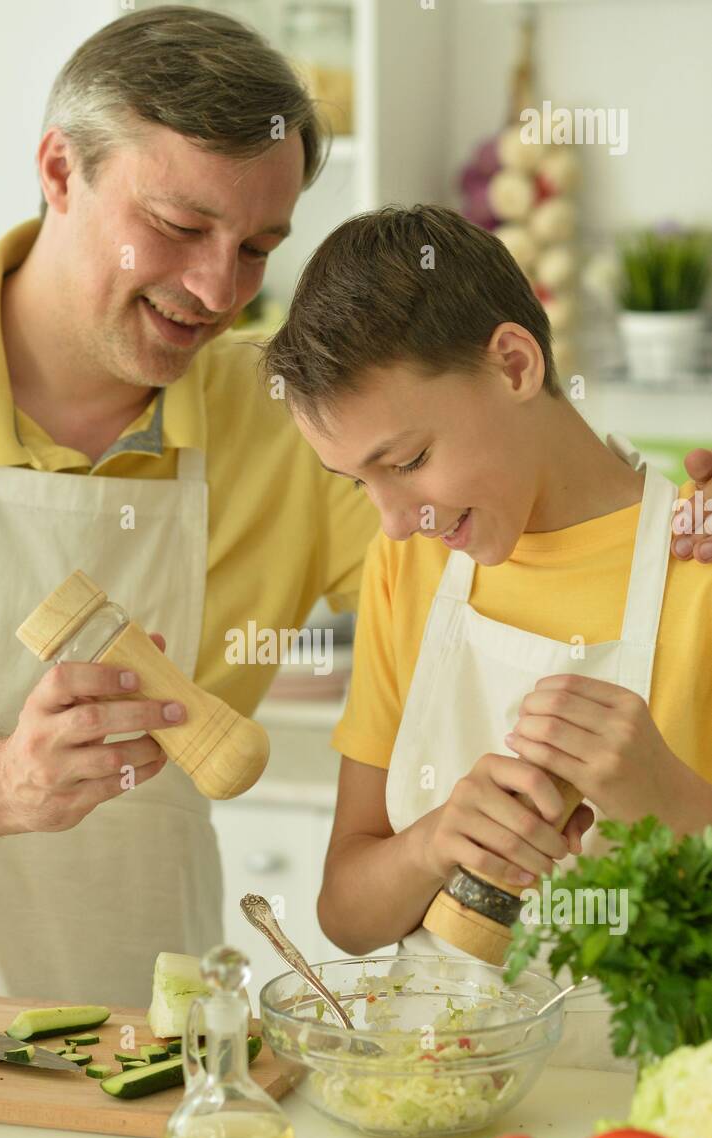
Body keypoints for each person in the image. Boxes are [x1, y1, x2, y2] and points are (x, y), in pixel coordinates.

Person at [0, 7, 377, 1002]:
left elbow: (494, 558)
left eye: (258, 246)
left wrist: (655, 518)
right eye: (178, 228)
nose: (219, 289)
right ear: (59, 171)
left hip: (151, 1054)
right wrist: (5, 781)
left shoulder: (287, 420)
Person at [263, 204, 712, 1070]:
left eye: (407, 461)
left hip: (651, 1126)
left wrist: (673, 804)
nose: (395, 521)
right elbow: (345, 915)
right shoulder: (414, 568)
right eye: (359, 482)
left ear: (513, 363)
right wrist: (435, 841)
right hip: (431, 1091)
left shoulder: (697, 561)